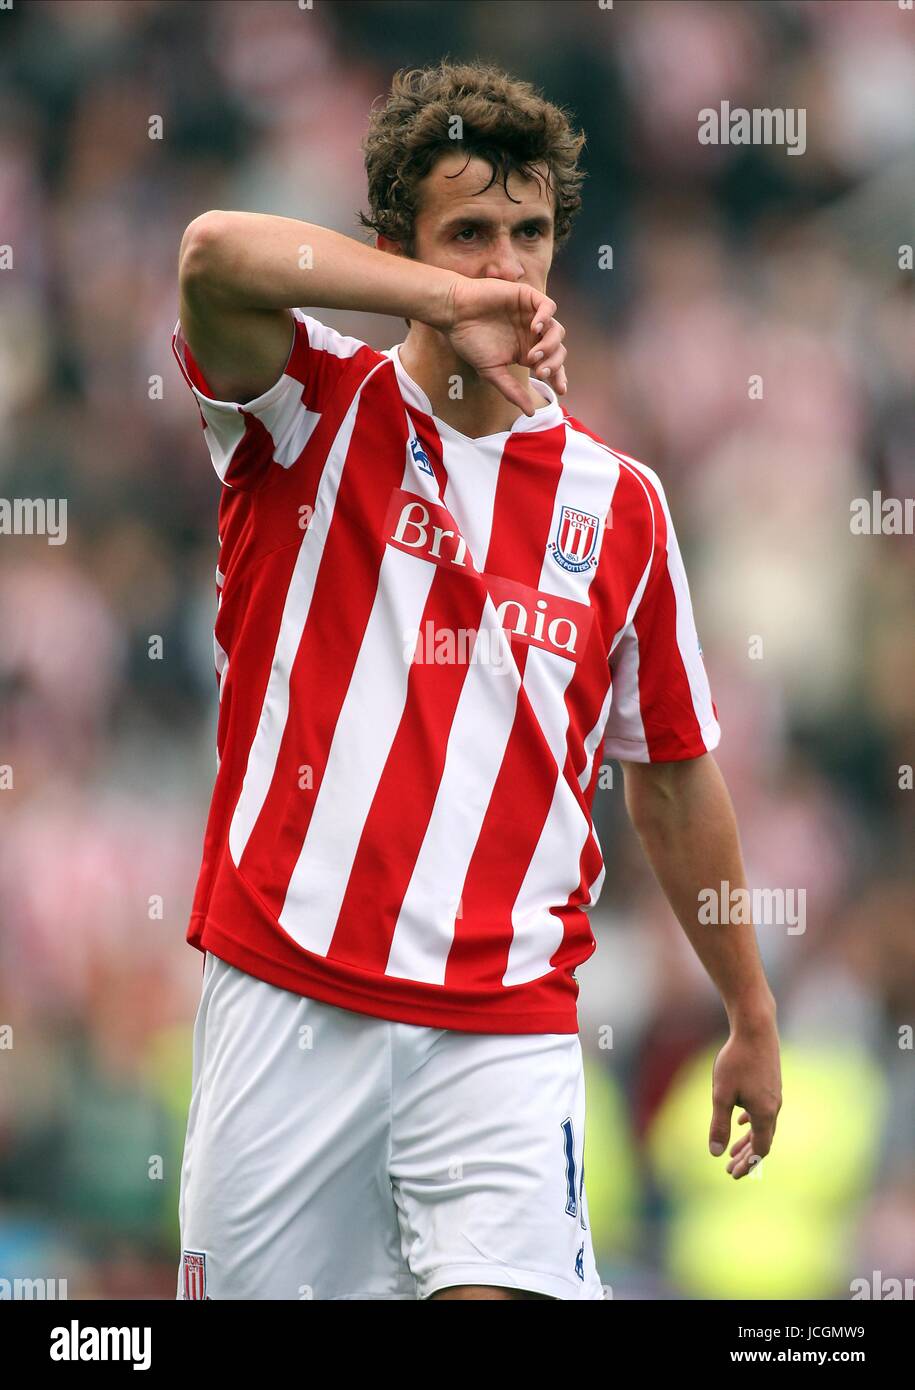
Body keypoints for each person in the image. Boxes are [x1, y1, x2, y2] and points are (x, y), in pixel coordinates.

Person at [171, 59, 781, 1302]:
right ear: (396, 247)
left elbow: (670, 774)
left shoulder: (620, 506)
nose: (506, 266)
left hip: (501, 1024)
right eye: (469, 235)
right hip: (291, 996)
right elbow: (211, 253)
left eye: (530, 233)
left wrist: (751, 1010)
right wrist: (442, 302)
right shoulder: (307, 411)